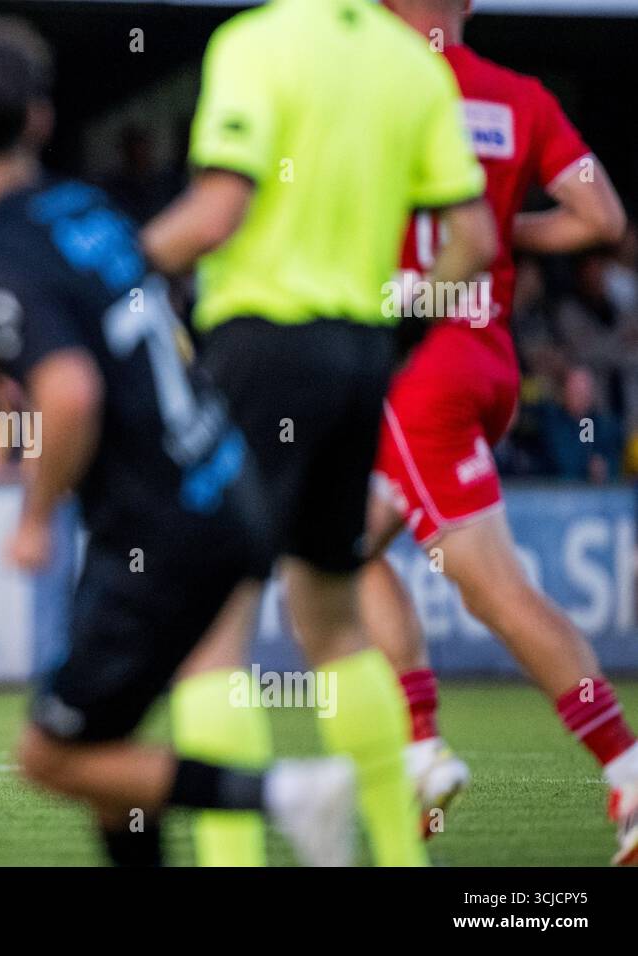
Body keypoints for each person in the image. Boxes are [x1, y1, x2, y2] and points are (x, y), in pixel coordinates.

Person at [0, 5, 358, 867]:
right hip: (220, 484)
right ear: (39, 116)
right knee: (111, 759)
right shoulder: (88, 206)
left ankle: (293, 797)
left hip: (162, 527)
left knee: (52, 758)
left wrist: (35, 519)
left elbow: (68, 393)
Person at [142, 0, 498, 866]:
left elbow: (217, 213)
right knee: (334, 621)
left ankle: (236, 861)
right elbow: (474, 240)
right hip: (359, 357)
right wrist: (394, 327)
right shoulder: (413, 63)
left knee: (214, 628)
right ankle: (400, 857)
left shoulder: (255, 43)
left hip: (258, 349)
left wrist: (109, 259)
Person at [358, 0, 638, 866]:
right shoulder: (517, 96)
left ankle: (627, 766)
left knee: (493, 589)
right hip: (488, 359)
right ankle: (417, 753)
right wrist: (500, 226)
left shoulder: (373, 86)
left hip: (420, 370)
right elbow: (603, 221)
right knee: (335, 550)